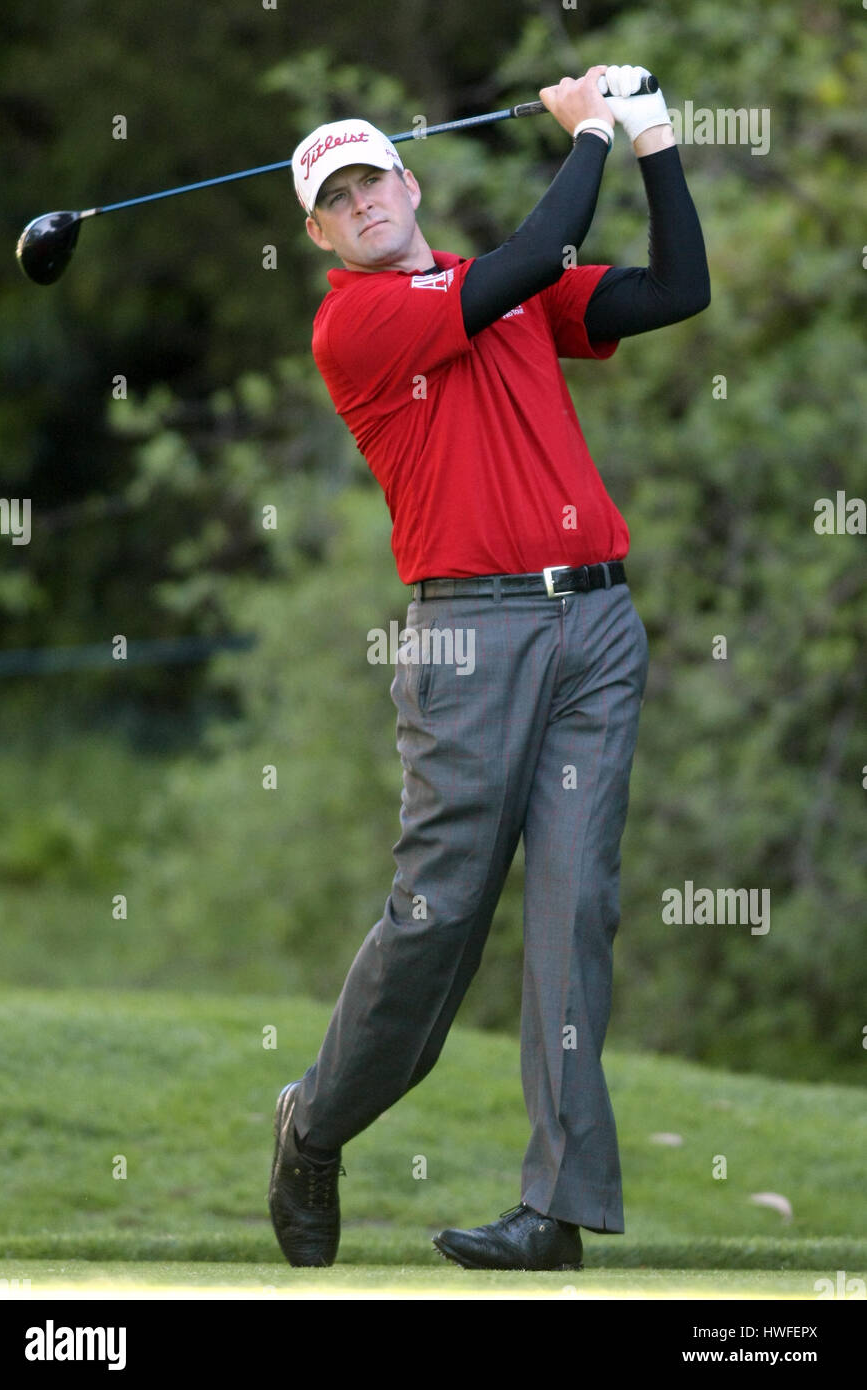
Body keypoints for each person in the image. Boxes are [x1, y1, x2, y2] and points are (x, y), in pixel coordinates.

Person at [268, 64, 710, 1270]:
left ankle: (556, 1214)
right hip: (470, 638)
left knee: (576, 914)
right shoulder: (355, 322)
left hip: (596, 633)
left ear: (410, 184)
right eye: (337, 195)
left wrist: (655, 141)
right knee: (438, 915)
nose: (363, 201)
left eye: (374, 178)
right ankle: (314, 1123)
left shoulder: (499, 291)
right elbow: (531, 252)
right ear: (319, 231)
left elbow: (677, 289)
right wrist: (588, 137)